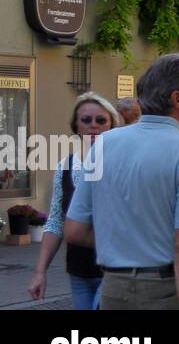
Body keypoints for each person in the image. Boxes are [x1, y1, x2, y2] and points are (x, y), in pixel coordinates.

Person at [64, 53, 179, 310]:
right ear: (177, 98)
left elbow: (75, 230)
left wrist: (128, 241)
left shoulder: (104, 143)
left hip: (113, 288)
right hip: (165, 288)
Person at [28, 93, 123, 309]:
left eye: (101, 120)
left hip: (115, 270)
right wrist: (40, 272)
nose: (93, 126)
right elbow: (55, 221)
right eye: (86, 120)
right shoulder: (66, 166)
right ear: (76, 126)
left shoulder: (121, 164)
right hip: (79, 270)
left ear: (111, 126)